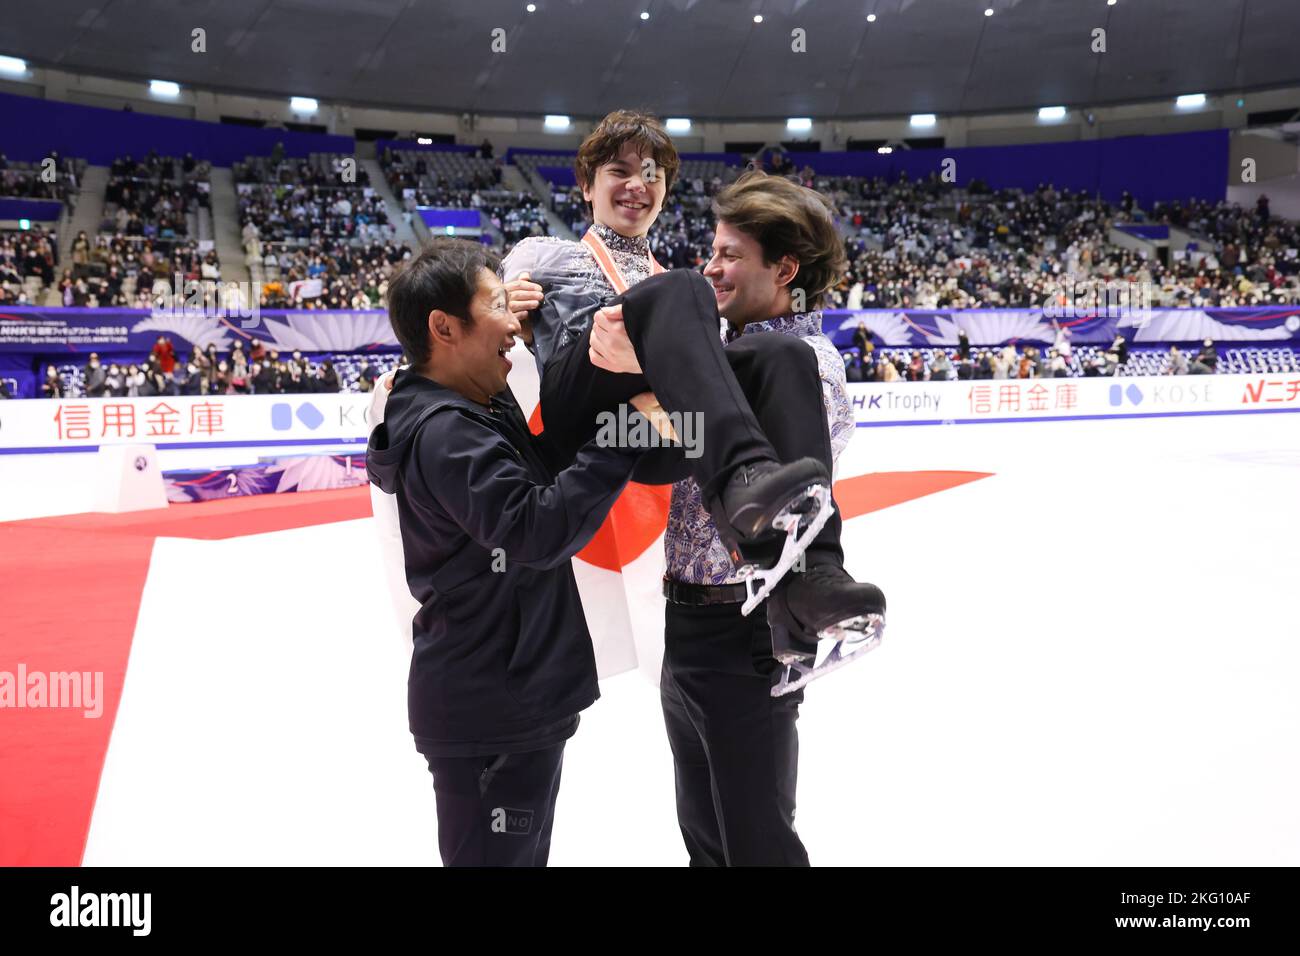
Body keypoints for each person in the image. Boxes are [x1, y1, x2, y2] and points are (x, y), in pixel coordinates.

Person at [501, 111, 884, 666]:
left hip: (638, 439)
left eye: (653, 174)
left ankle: (809, 570)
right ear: (586, 185)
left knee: (777, 350)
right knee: (683, 289)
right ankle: (751, 482)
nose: (638, 184)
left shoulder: (676, 282)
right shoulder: (543, 256)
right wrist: (500, 310)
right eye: (619, 171)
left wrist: (657, 395)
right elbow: (460, 320)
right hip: (577, 421)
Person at [590, 172, 885, 865]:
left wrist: (659, 390)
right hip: (686, 624)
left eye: (730, 255)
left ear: (784, 269)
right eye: (712, 250)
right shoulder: (709, 356)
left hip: (747, 633)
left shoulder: (806, 363)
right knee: (706, 841)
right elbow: (634, 439)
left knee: (756, 846)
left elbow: (701, 454)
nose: (711, 267)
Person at [366, 237, 646, 866]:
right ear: (444, 327)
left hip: (516, 696)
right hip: (490, 711)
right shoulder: (446, 431)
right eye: (496, 302)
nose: (514, 321)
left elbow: (545, 472)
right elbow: (535, 529)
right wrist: (630, 436)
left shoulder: (478, 403)